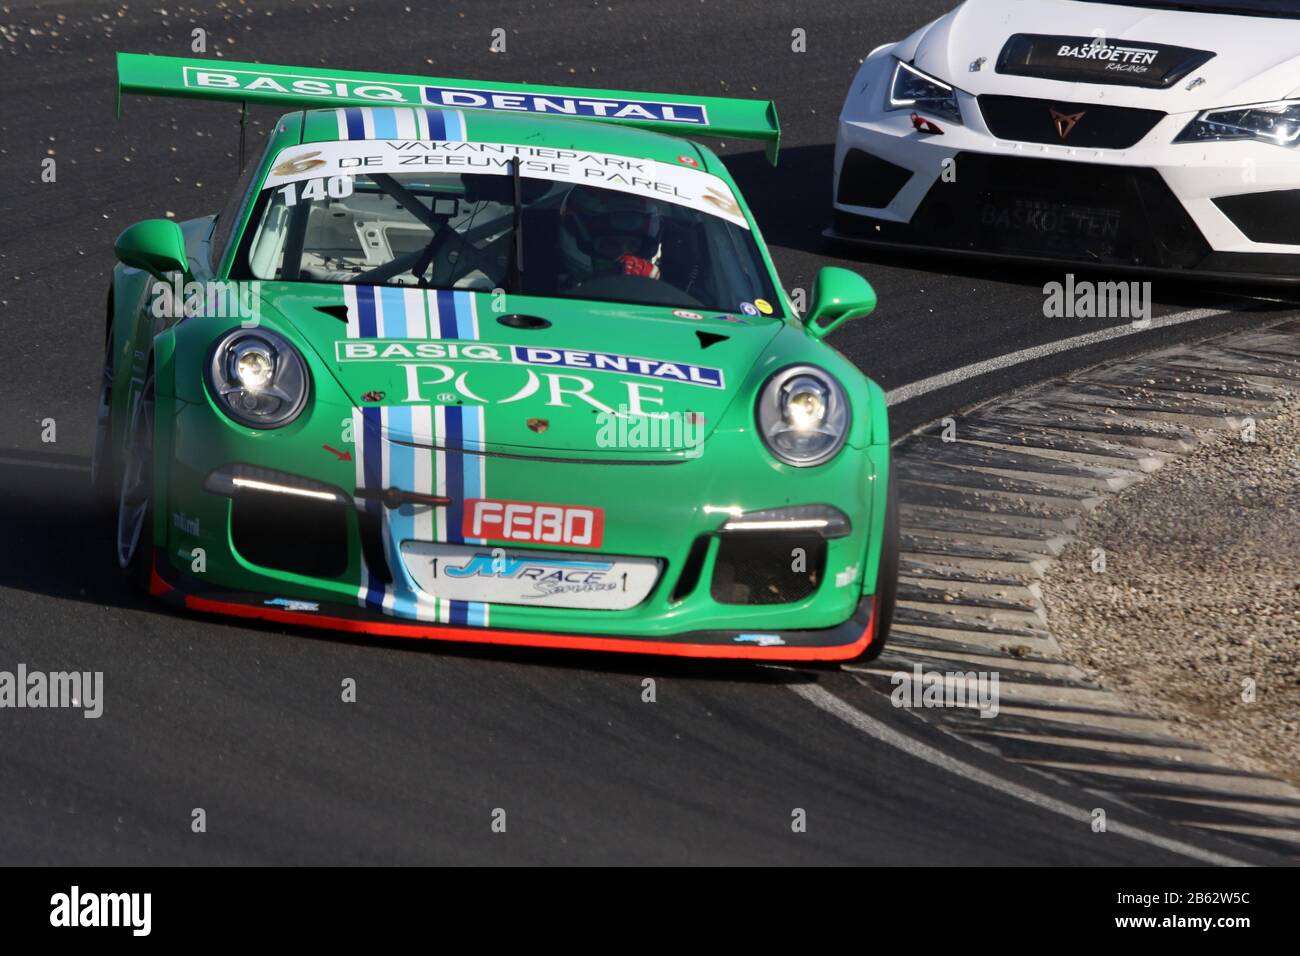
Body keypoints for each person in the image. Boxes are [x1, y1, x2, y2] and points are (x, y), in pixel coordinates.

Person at [558, 185, 664, 284]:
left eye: (632, 245)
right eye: (610, 245)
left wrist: (646, 287)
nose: (624, 256)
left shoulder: (667, 296)